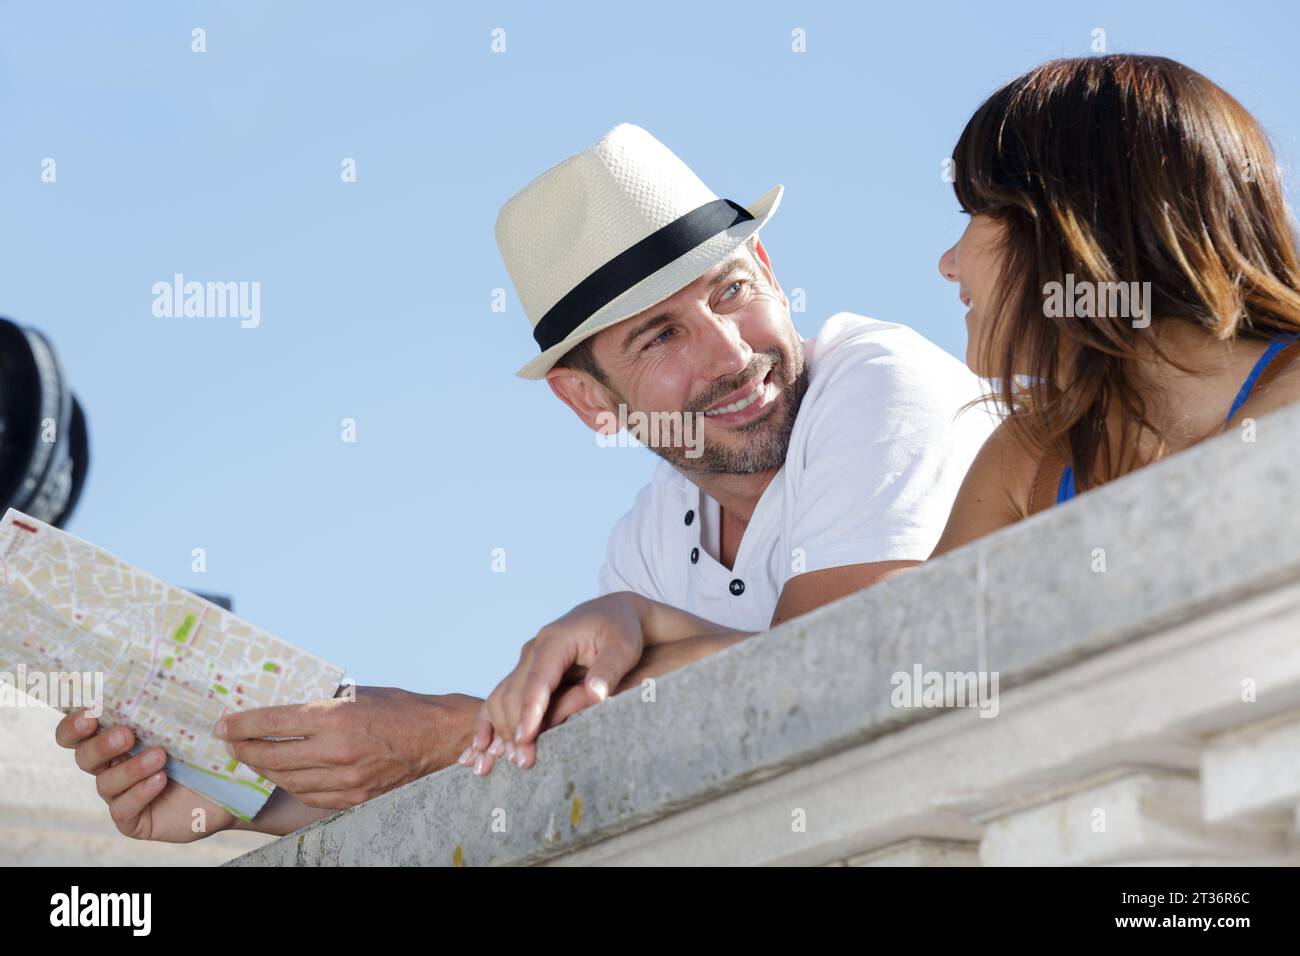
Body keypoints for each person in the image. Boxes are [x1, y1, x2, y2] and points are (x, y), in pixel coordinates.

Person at [55, 122, 998, 833]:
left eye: (731, 291)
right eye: (659, 335)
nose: (729, 353)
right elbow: (618, 748)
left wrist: (445, 728)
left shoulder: (876, 381)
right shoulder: (649, 539)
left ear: (771, 269)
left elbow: (842, 663)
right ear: (587, 402)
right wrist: (247, 793)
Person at [468, 54, 1300, 773]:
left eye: (978, 217)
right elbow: (883, 668)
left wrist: (641, 635)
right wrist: (636, 617)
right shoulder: (1030, 455)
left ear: (1079, 232)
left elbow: (848, 677)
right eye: (660, 336)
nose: (946, 260)